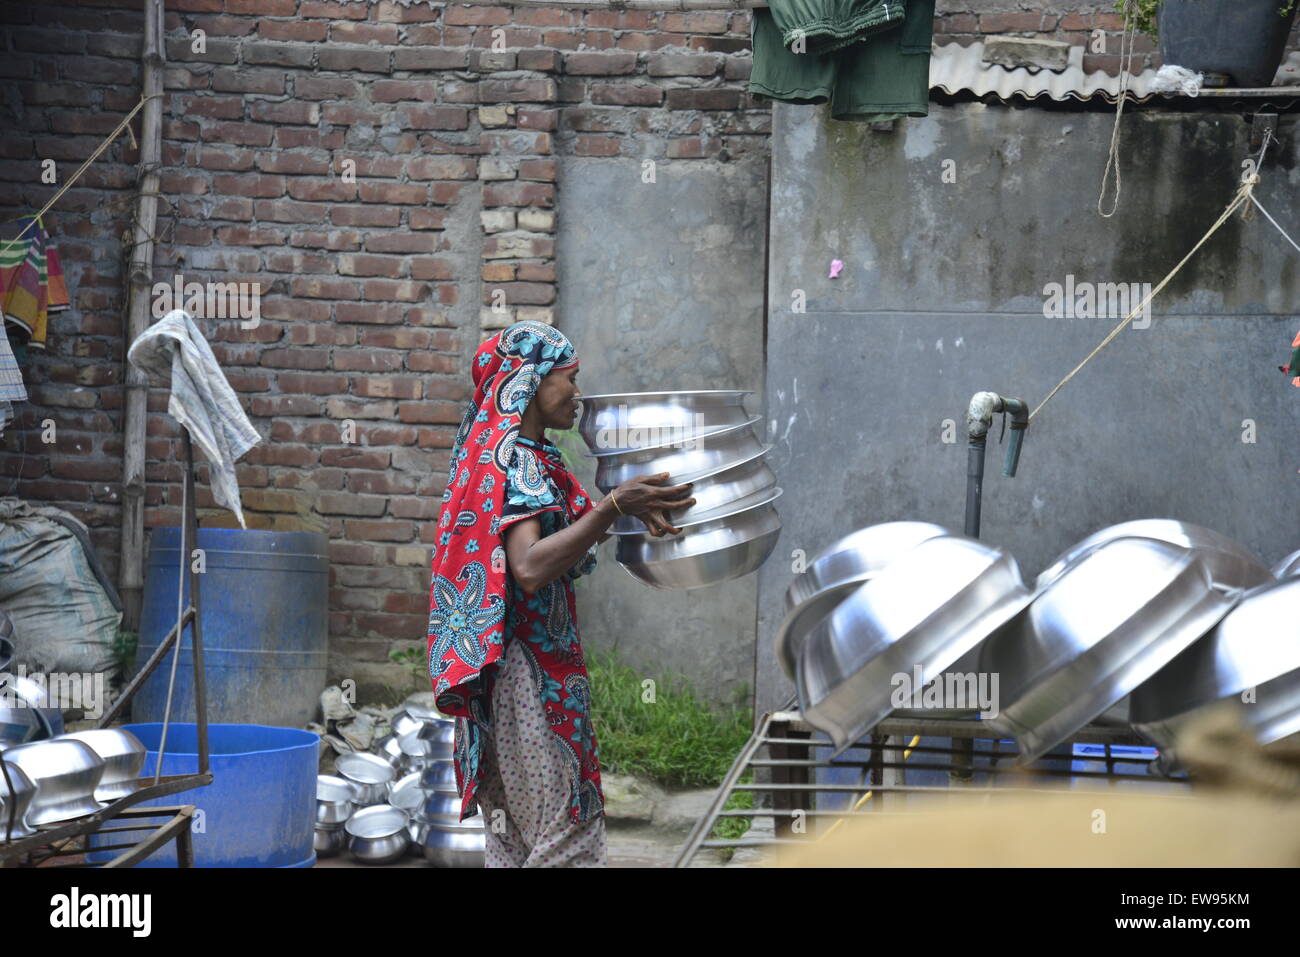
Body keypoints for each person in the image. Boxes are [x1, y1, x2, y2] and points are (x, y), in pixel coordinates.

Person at [426, 320, 695, 867]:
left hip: (503, 673)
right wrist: (611, 508)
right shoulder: (518, 462)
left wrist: (626, 510)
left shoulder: (504, 456)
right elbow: (527, 568)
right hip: (529, 677)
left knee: (518, 833)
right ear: (529, 382)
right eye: (569, 379)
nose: (578, 393)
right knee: (565, 825)